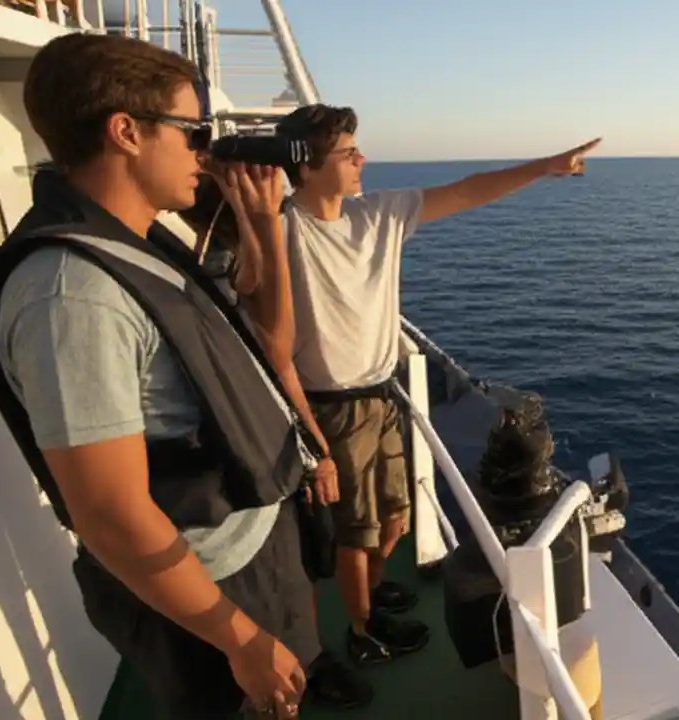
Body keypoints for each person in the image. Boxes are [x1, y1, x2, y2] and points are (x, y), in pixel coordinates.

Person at [0, 34, 315, 719]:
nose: (204, 152)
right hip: (207, 594)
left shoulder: (136, 242)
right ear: (125, 132)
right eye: (193, 132)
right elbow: (110, 513)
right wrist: (239, 638)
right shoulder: (70, 292)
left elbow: (267, 351)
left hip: (246, 553)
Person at [272, 103, 600, 665]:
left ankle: (371, 595)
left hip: (385, 392)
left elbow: (469, 191)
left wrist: (544, 166)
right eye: (348, 152)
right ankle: (361, 630)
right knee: (355, 532)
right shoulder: (280, 227)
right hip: (330, 406)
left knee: (394, 519)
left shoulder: (377, 214)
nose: (362, 159)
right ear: (304, 166)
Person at [178, 164, 372, 711]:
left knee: (296, 569)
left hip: (260, 460)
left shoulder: (206, 259)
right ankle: (299, 675)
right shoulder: (221, 260)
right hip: (247, 474)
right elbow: (278, 348)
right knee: (291, 579)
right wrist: (262, 225)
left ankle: (309, 662)